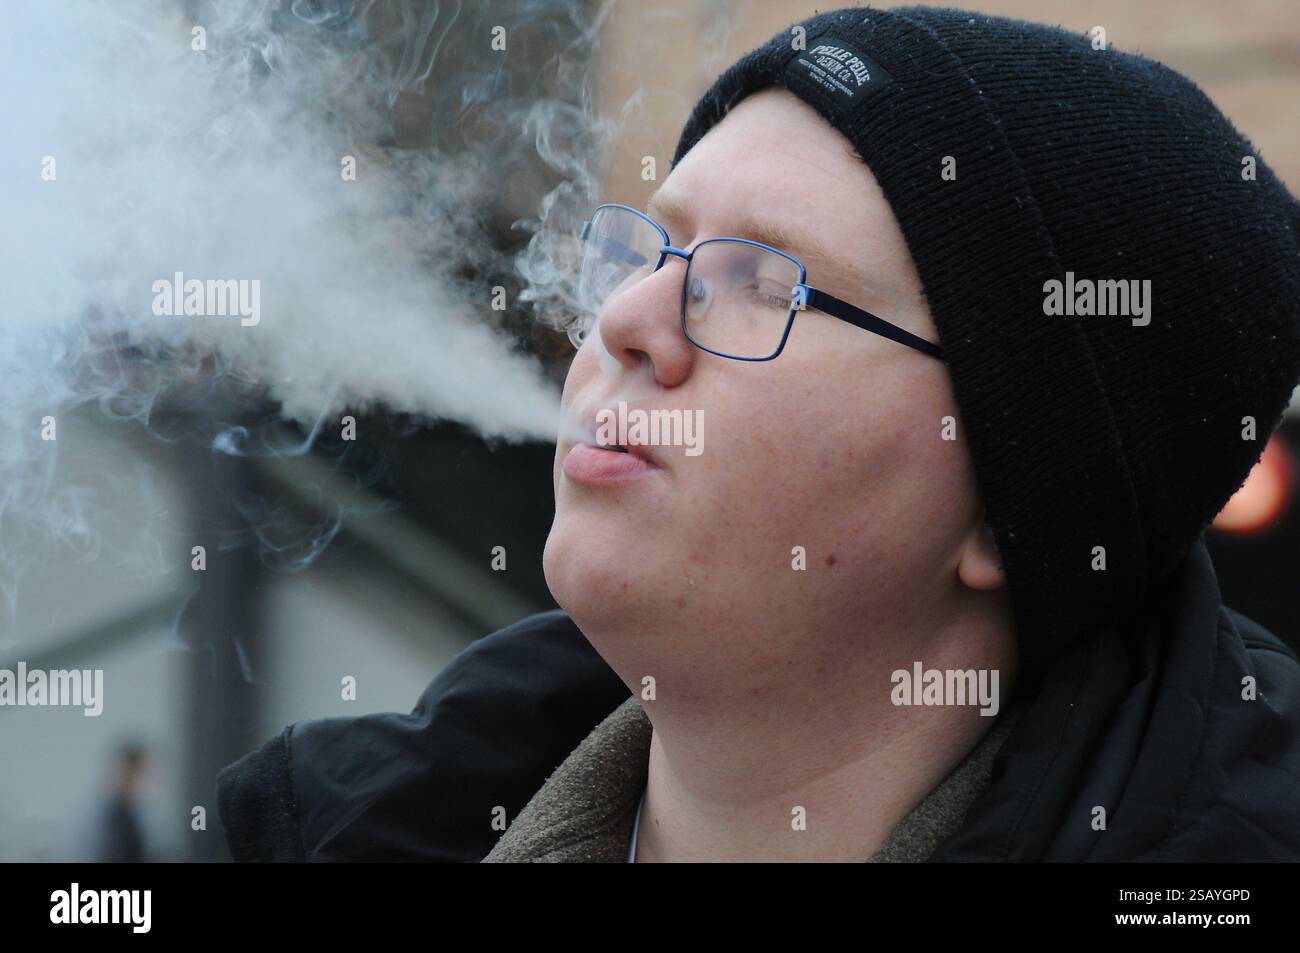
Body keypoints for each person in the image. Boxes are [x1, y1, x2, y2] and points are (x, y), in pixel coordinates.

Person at [218, 5, 1300, 862]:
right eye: (653, 250)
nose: (629, 319)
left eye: (762, 283)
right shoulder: (343, 829)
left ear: (1007, 510)